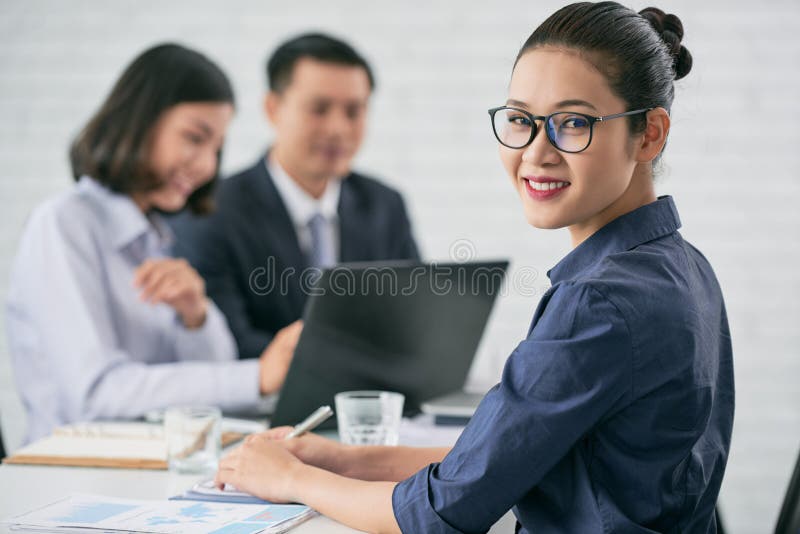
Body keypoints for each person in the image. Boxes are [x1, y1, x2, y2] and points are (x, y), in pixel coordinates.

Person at [212, 3, 735, 533]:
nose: (536, 152)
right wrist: (339, 459)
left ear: (649, 134)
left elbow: (441, 514)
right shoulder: (685, 267)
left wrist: (292, 481)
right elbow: (504, 459)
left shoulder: (598, 301)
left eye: (573, 123)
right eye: (520, 120)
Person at [5, 44, 298, 443]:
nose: (207, 165)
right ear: (139, 121)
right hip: (68, 473)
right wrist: (256, 377)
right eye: (195, 137)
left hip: (154, 468)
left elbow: (210, 397)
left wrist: (196, 317)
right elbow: (95, 395)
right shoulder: (63, 223)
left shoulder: (158, 238)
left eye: (216, 148)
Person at [169, 33, 420, 371]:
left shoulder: (384, 205)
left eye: (354, 111)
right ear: (273, 109)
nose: (338, 128)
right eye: (319, 109)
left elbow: (413, 323)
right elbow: (227, 342)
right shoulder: (212, 209)